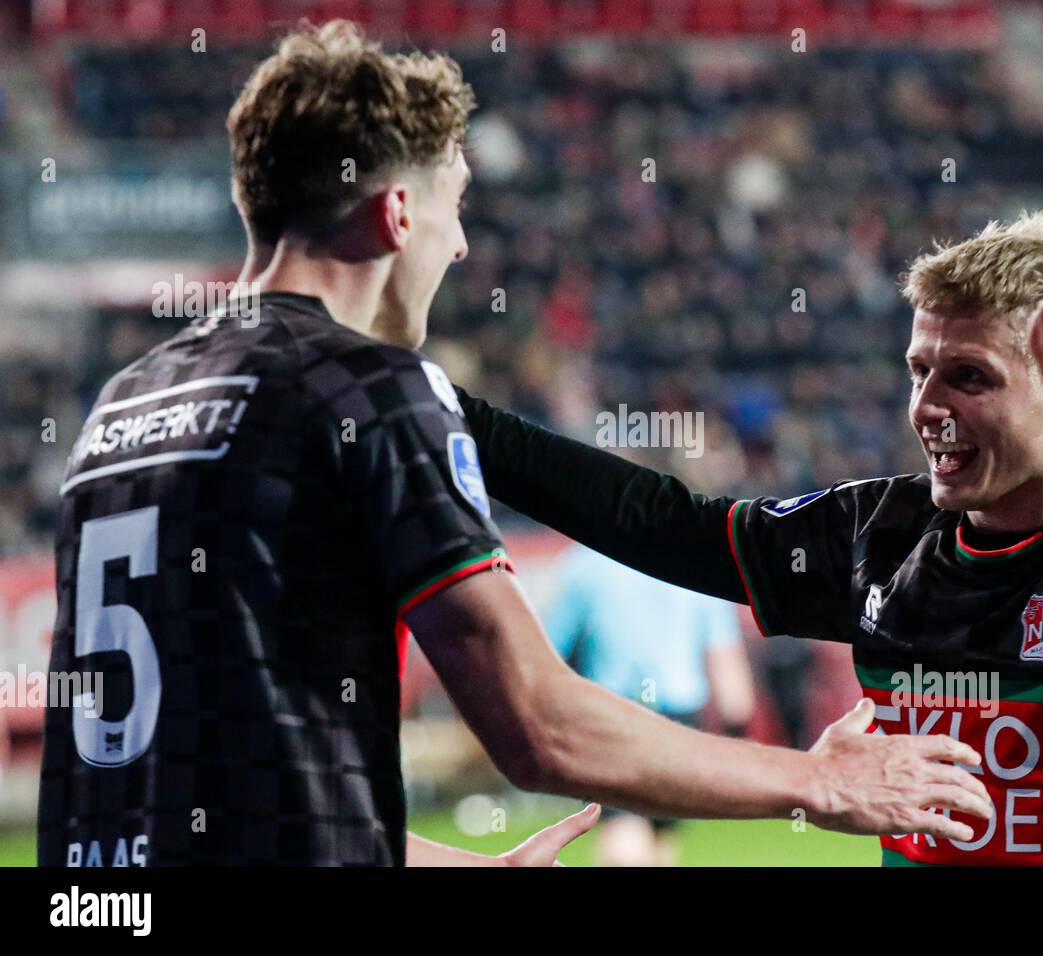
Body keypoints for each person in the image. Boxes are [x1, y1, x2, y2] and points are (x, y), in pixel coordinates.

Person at [37, 20, 989, 867]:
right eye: (454, 210)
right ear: (397, 214)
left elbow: (207, 778)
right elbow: (535, 724)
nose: (458, 249)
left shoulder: (125, 404)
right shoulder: (369, 387)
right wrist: (811, 782)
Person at [456, 212, 1043, 866]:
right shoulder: (879, 534)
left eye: (969, 376)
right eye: (920, 370)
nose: (926, 405)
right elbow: (665, 523)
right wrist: (440, 417)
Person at [544, 543, 755, 865]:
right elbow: (724, 656)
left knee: (620, 821)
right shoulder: (697, 563)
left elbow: (548, 645)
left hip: (612, 708)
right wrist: (736, 724)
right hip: (681, 714)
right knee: (662, 831)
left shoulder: (586, 563)